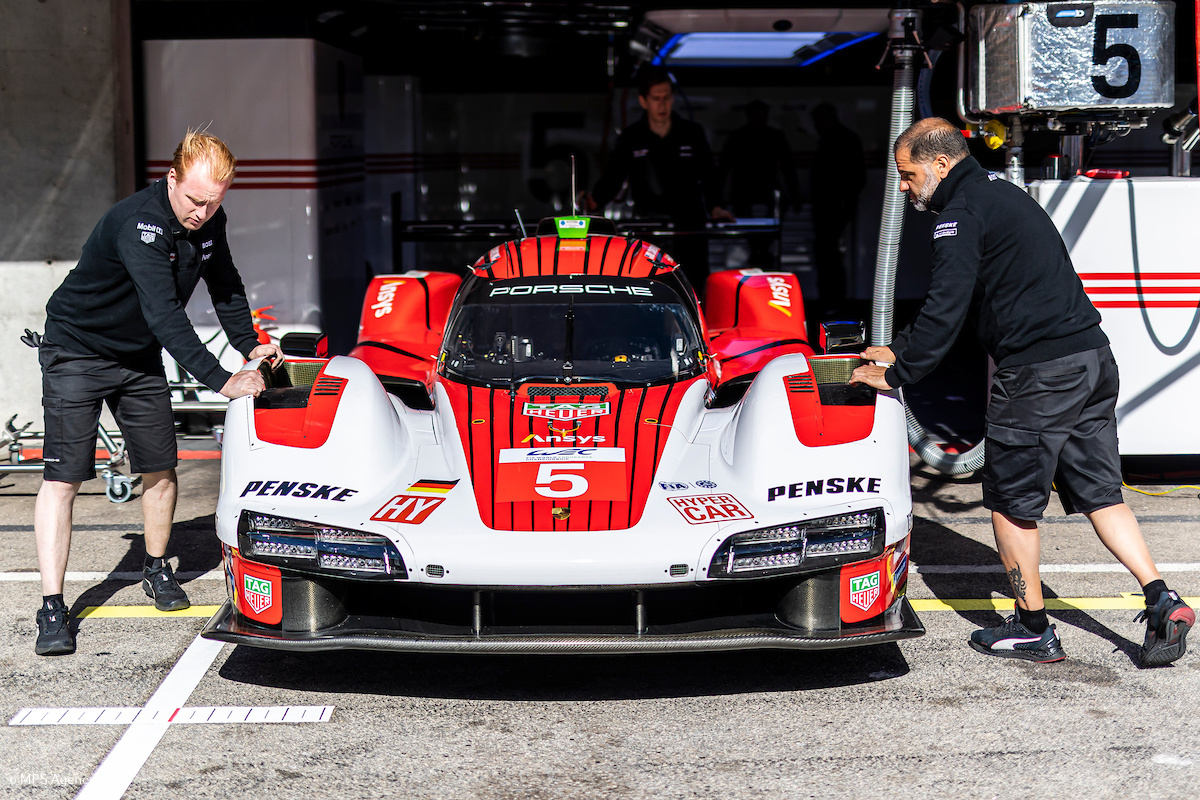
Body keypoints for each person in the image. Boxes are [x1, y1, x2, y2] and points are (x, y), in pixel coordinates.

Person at [850, 117, 1193, 667]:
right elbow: (979, 299)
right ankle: (1161, 596)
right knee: (1102, 494)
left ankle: (1034, 628)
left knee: (1011, 502)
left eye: (909, 176)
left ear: (941, 164)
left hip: (1038, 374)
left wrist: (896, 373)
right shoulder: (1003, 196)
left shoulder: (959, 216)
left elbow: (946, 305)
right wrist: (901, 348)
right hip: (1091, 360)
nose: (906, 190)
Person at [33, 129, 284, 656]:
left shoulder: (211, 218)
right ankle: (52, 605)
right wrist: (223, 381)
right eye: (194, 200)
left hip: (136, 354)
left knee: (160, 468)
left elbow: (226, 284)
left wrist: (250, 346)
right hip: (77, 349)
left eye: (214, 202)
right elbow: (166, 316)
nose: (202, 212)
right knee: (64, 478)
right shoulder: (138, 223)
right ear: (172, 179)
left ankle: (155, 568)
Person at [582, 66, 734, 296]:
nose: (662, 104)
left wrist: (716, 207)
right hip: (649, 225)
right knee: (649, 287)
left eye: (666, 98)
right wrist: (594, 200)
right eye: (656, 98)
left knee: (693, 287)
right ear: (644, 101)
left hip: (689, 224)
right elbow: (614, 176)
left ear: (673, 98)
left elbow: (708, 174)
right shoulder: (631, 137)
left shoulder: (692, 132)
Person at [718, 99, 800, 268]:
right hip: (743, 188)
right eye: (756, 115)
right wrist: (718, 200)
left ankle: (762, 249)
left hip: (767, 186)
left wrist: (795, 195)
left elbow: (788, 167)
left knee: (777, 208)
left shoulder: (774, 136)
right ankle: (757, 249)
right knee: (742, 211)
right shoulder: (739, 136)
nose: (760, 119)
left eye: (763, 115)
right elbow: (724, 168)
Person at [810, 103, 866, 318]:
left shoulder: (843, 139)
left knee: (830, 255)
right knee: (826, 254)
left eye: (819, 120)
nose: (816, 125)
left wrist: (844, 201)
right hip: (826, 206)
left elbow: (856, 175)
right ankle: (830, 300)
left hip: (834, 208)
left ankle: (834, 301)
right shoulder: (832, 138)